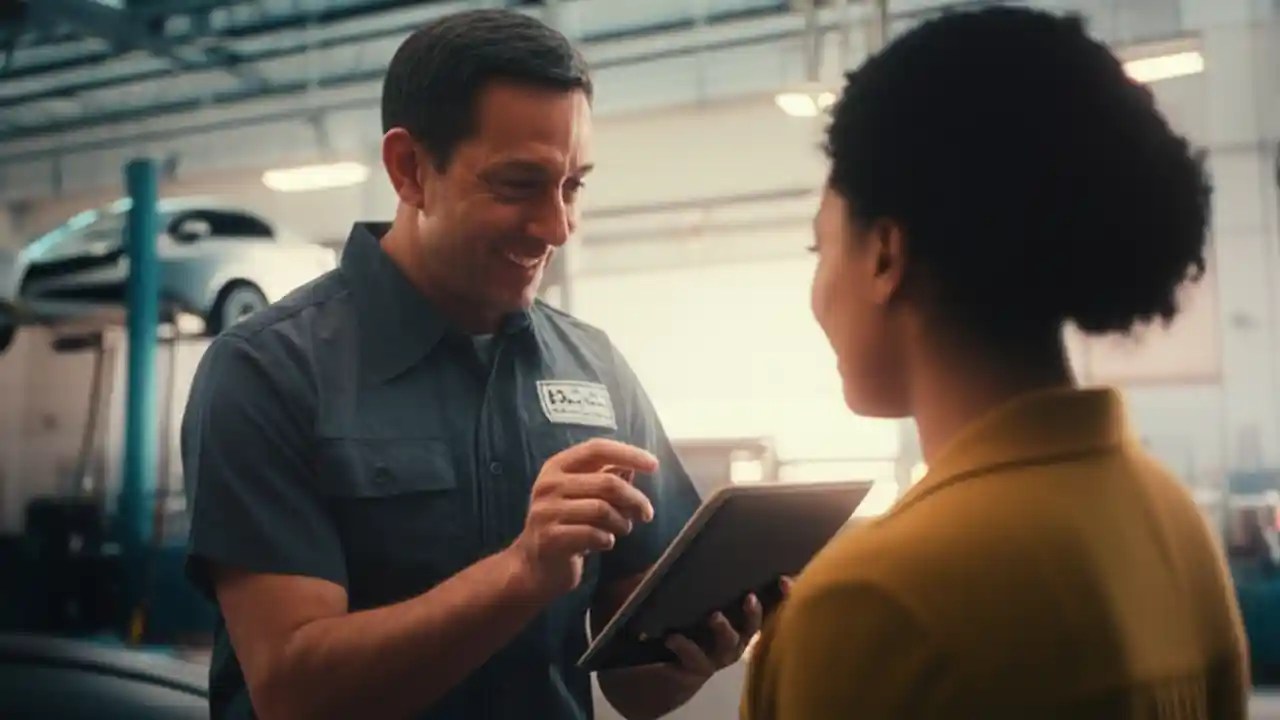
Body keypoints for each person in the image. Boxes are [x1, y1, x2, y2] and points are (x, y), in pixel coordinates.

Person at [181, 9, 761, 720]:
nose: (557, 228)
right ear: (410, 170)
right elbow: (294, 693)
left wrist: (699, 649)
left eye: (572, 186)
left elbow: (633, 687)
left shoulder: (594, 368)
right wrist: (521, 574)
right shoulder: (267, 373)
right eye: (519, 184)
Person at [742, 7, 1249, 719]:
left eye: (819, 249)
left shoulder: (875, 601)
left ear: (886, 254)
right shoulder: (1166, 515)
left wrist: (804, 649)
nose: (817, 291)